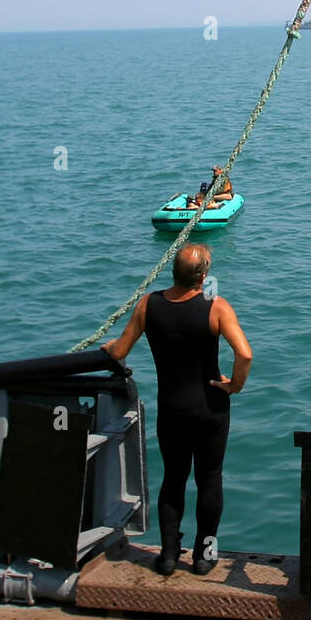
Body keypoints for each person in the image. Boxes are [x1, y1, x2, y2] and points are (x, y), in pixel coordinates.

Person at [104, 243, 252, 576]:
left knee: (173, 479)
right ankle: (204, 555)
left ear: (173, 271)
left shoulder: (148, 305)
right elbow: (244, 355)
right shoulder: (216, 308)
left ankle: (169, 555)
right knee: (209, 480)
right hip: (210, 407)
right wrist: (235, 385)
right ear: (203, 276)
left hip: (172, 409)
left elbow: (119, 350)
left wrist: (107, 348)